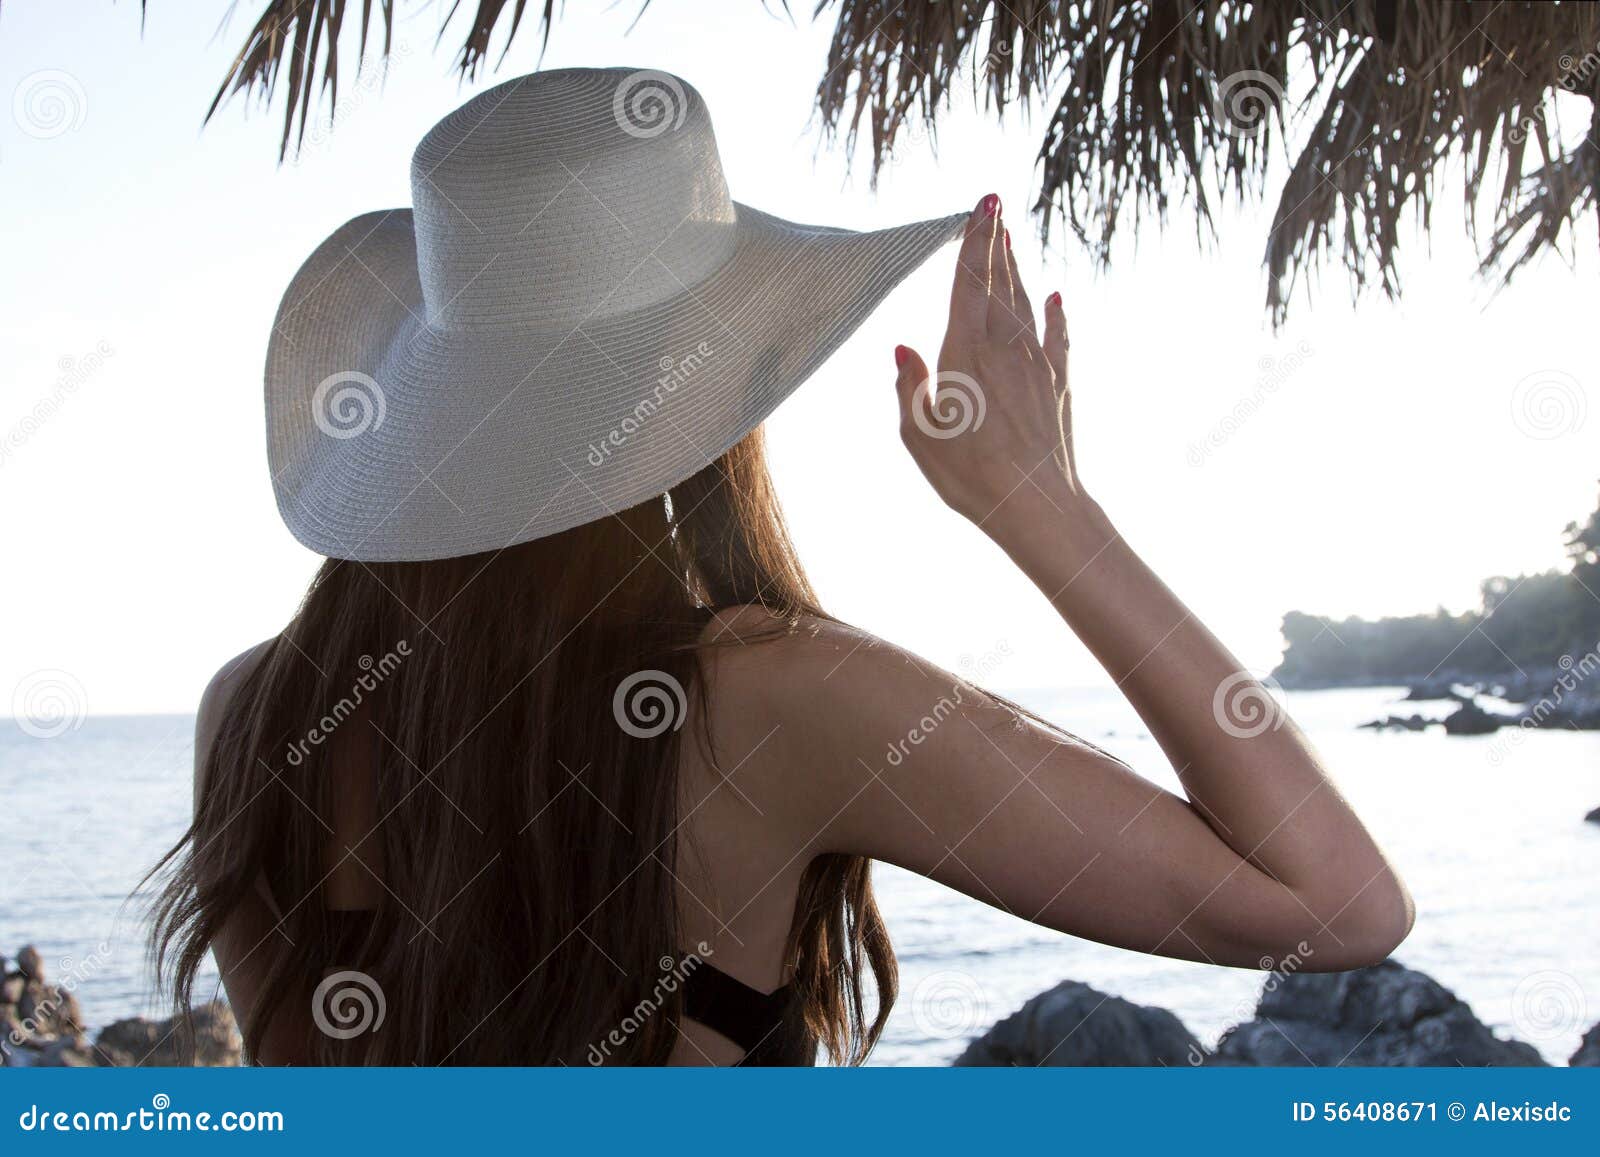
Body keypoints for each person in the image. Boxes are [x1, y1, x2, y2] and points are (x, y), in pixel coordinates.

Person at [151, 69, 1411, 1067]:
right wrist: (1040, 504)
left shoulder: (258, 715)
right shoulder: (773, 701)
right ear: (715, 392)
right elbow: (1335, 905)